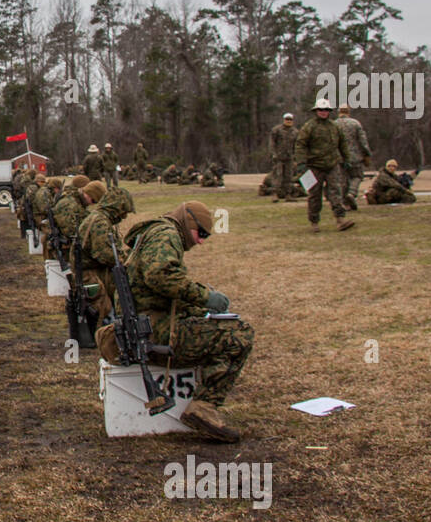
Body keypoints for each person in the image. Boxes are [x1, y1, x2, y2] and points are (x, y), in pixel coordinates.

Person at [123, 200, 253, 442]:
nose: (201, 241)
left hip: (146, 327)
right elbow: (159, 276)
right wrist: (205, 297)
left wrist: (196, 306)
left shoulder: (156, 233)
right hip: (156, 333)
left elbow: (159, 287)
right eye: (200, 233)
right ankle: (204, 407)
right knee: (240, 334)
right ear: (188, 222)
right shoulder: (166, 234)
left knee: (218, 328)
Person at [72, 186, 135, 321]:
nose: (124, 216)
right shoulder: (99, 221)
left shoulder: (98, 218)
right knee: (104, 313)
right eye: (123, 212)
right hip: (90, 275)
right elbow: (105, 255)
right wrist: (127, 259)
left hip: (93, 272)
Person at [293, 98, 355, 233]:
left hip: (332, 165)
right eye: (321, 110)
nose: (323, 112)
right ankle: (314, 222)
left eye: (326, 110)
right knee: (314, 195)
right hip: (313, 166)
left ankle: (340, 219)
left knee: (336, 192)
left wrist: (347, 159)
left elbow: (342, 144)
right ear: (316, 111)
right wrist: (301, 162)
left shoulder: (334, 127)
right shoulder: (309, 127)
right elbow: (300, 145)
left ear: (329, 111)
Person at [335, 103, 372, 210]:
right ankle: (351, 193)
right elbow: (363, 141)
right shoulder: (355, 124)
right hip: (355, 156)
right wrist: (367, 153)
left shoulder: (334, 124)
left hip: (339, 156)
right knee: (357, 176)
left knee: (343, 180)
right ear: (348, 111)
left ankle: (345, 204)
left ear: (339, 112)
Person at [269, 113, 299, 202]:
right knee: (277, 175)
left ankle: (288, 194)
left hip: (289, 157)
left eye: (290, 120)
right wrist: (273, 154)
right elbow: (272, 143)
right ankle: (275, 194)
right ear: (284, 120)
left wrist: (296, 157)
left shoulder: (295, 132)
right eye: (287, 119)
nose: (288, 121)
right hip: (278, 157)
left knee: (289, 176)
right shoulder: (276, 130)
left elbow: (297, 145)